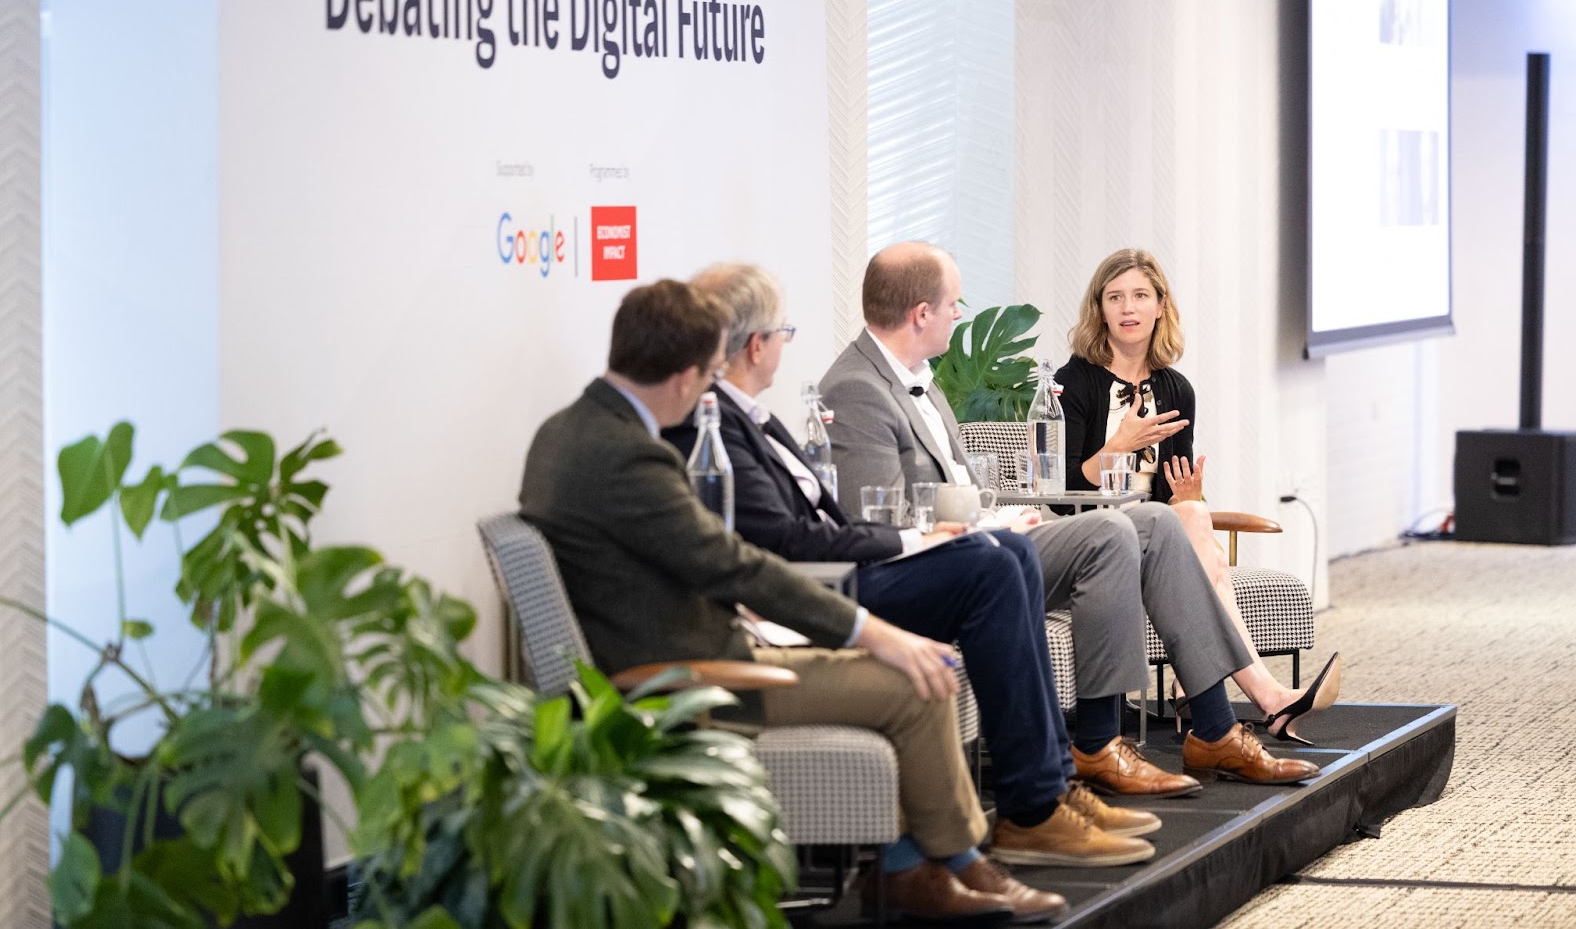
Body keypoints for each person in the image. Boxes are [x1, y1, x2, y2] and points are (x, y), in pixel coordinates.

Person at [520, 279, 1031, 922]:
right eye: (708, 374)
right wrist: (872, 631)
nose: (710, 389)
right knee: (921, 678)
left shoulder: (564, 432)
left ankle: (918, 867)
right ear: (685, 376)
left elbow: (683, 563)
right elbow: (734, 564)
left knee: (912, 662)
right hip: (686, 684)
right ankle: (947, 866)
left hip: (664, 656)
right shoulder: (630, 456)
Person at [662, 264, 1158, 894]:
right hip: (822, 591)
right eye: (783, 331)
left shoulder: (747, 416)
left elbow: (821, 516)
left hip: (842, 567)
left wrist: (935, 534)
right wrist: (914, 539)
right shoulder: (717, 425)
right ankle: (1032, 807)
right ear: (757, 344)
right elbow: (789, 540)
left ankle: (1049, 790)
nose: (786, 343)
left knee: (1007, 553)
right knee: (989, 565)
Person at [820, 242, 1320, 794]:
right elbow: (875, 521)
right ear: (921, 314)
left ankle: (1215, 729)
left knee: (1157, 521)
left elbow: (961, 486)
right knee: (1110, 527)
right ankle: (1100, 745)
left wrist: (999, 515)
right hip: (946, 563)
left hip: (987, 540)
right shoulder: (858, 388)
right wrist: (988, 525)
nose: (959, 315)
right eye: (952, 304)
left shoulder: (921, 381)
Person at [1056, 248, 1341, 744]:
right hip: (1097, 537)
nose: (1128, 308)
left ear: (1160, 306)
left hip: (1157, 539)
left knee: (1189, 511)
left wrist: (1188, 496)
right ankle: (1265, 697)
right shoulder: (1074, 381)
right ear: (1099, 309)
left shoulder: (1175, 389)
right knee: (1192, 532)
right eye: (1115, 297)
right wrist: (1118, 447)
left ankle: (1225, 693)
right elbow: (1061, 496)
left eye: (1140, 296)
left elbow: (1169, 491)